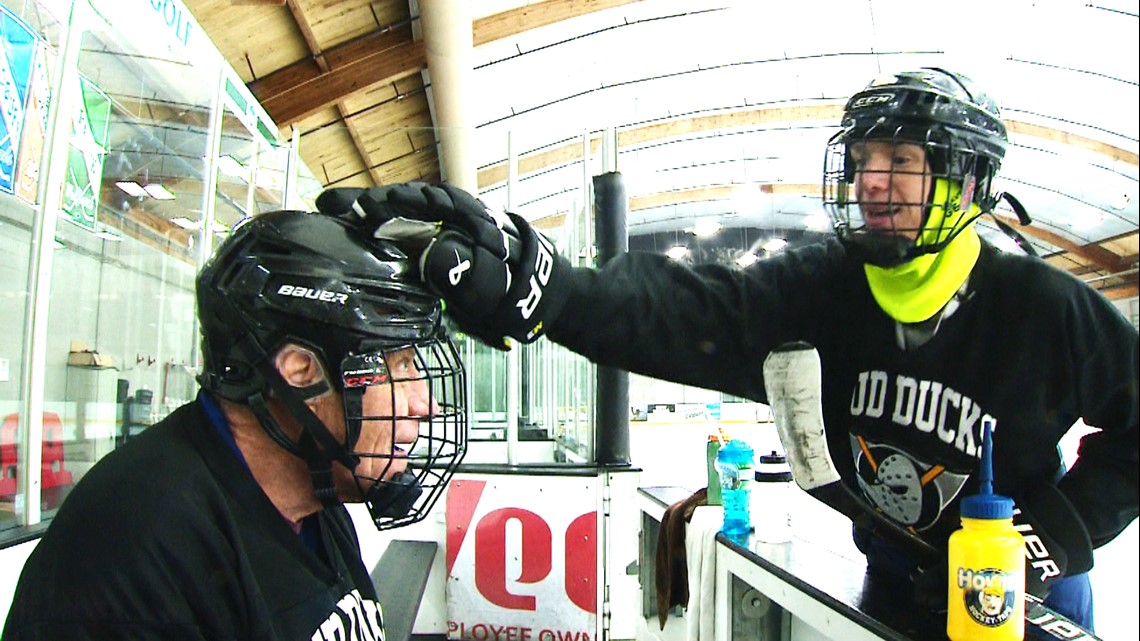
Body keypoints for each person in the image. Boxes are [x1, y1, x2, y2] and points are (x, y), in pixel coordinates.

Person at [321, 67, 1138, 630]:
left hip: (1025, 591)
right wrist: (553, 289)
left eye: (901, 160)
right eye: (862, 161)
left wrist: (1049, 538)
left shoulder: (1044, 307)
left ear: (965, 179)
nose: (871, 181)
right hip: (896, 576)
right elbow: (687, 311)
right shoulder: (820, 288)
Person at [2, 210, 467, 640]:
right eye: (399, 366)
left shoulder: (317, 492)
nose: (425, 404)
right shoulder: (130, 552)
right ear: (301, 372)